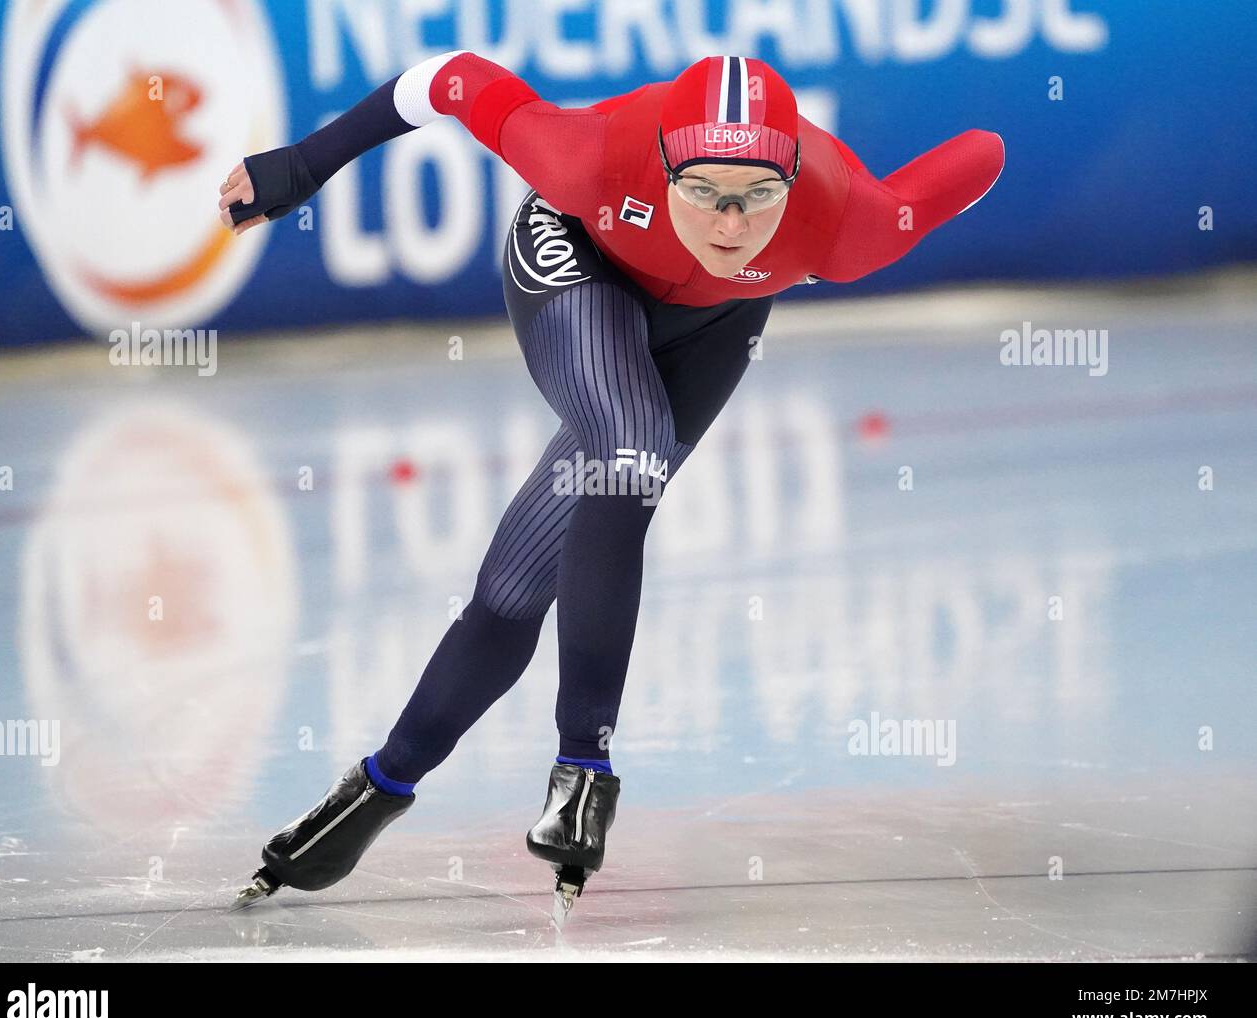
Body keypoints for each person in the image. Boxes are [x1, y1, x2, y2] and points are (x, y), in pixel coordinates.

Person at [220, 52, 1005, 920]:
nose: (731, 222)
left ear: (795, 183)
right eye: (704, 189)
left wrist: (975, 160)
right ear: (664, 163)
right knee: (629, 450)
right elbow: (447, 80)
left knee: (515, 588)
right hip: (577, 258)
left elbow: (978, 156)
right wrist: (300, 165)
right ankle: (583, 765)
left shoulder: (853, 221)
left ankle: (377, 784)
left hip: (714, 326)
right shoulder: (587, 154)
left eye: (757, 197)